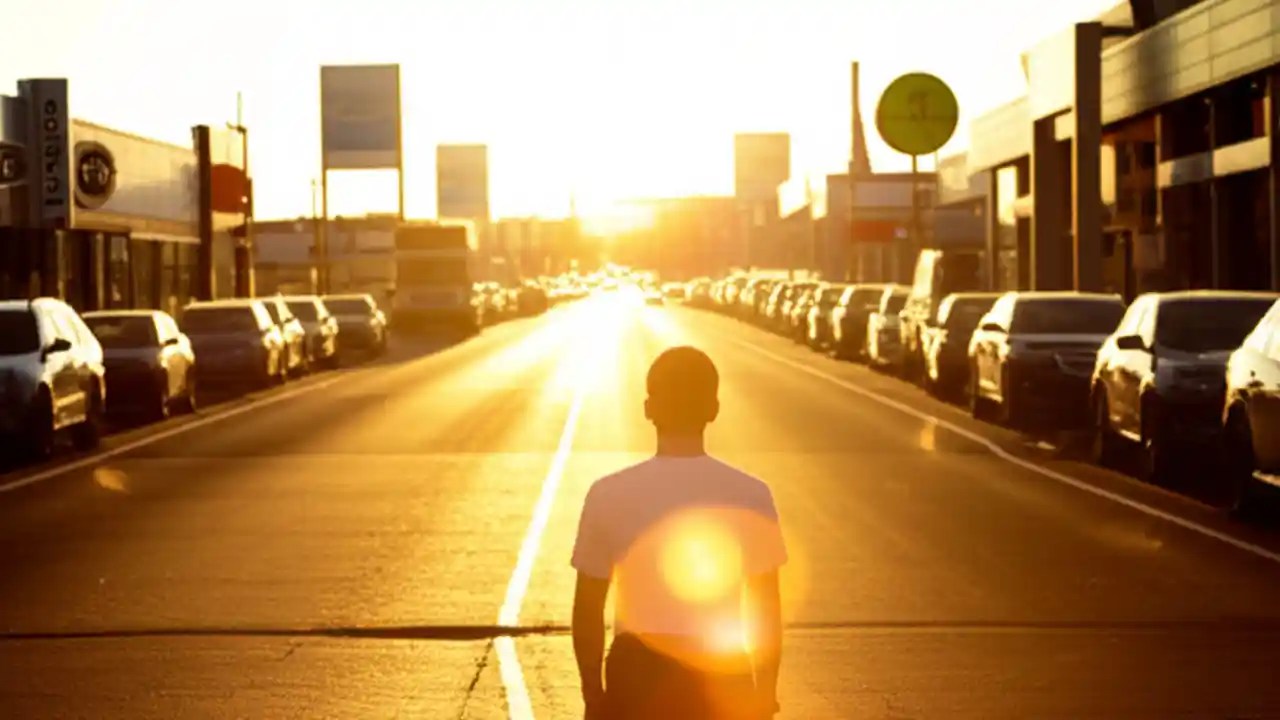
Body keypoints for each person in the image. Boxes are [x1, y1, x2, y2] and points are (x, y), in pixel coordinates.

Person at [571, 346, 786, 719]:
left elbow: (588, 607)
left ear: (649, 409)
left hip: (636, 676)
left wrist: (594, 694)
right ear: (713, 409)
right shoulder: (751, 493)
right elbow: (766, 608)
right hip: (720, 671)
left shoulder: (607, 493)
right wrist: (764, 695)